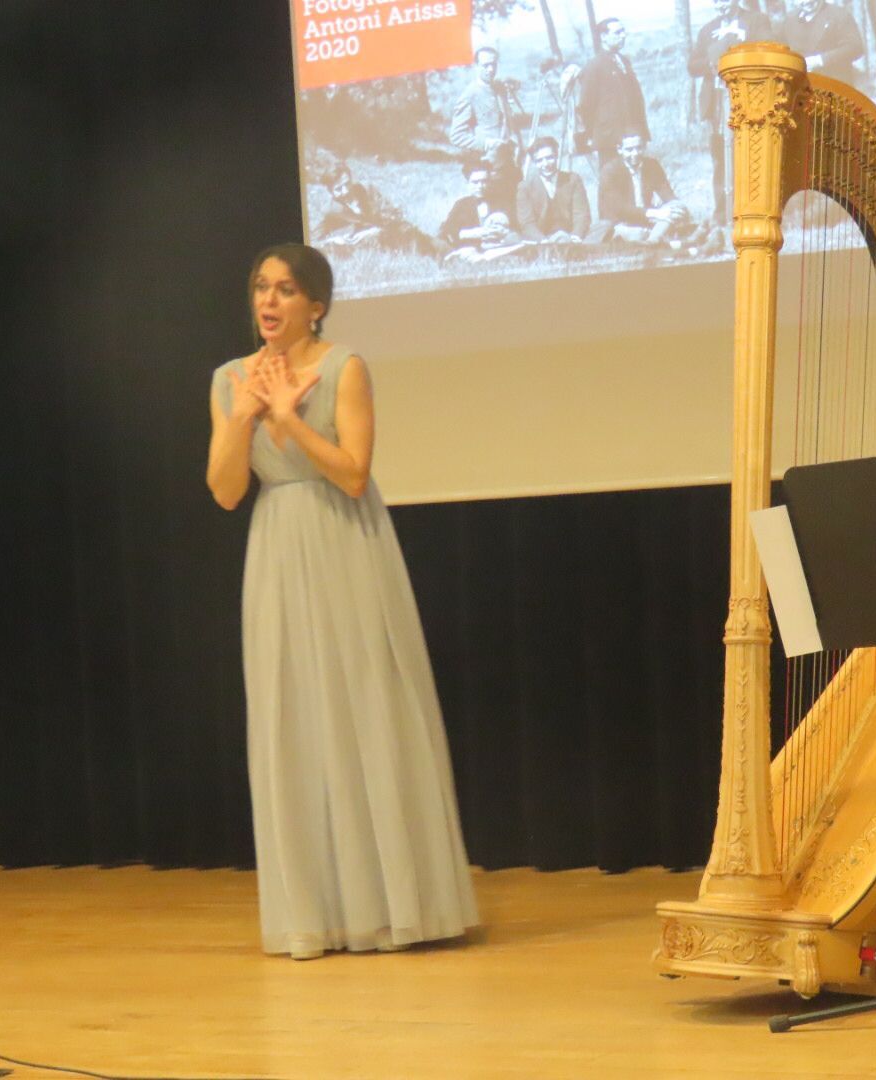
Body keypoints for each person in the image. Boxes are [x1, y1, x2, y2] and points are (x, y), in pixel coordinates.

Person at [206, 244, 480, 959]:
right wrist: (244, 416)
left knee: (366, 708)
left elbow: (354, 475)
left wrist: (288, 418)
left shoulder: (345, 367)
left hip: (345, 545)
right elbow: (227, 490)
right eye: (261, 287)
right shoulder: (229, 379)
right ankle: (314, 915)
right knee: (291, 716)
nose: (269, 301)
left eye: (287, 289)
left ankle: (394, 908)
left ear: (316, 304)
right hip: (277, 549)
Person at [689, 0, 773, 222]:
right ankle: (723, 209)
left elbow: (767, 51)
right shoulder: (708, 29)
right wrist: (713, 60)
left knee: (751, 153)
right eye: (715, 2)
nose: (720, 6)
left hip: (748, 99)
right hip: (717, 104)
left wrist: (736, 48)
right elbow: (692, 65)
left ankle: (754, 208)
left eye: (724, 0)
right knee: (720, 157)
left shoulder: (755, 20)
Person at [447, 45, 525, 205]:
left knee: (518, 207)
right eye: (485, 65)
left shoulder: (498, 88)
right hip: (489, 169)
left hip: (510, 163)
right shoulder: (470, 95)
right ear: (476, 66)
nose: (490, 69)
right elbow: (456, 136)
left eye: (493, 65)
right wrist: (486, 144)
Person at [596, 132, 698, 249]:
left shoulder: (652, 165)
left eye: (639, 148)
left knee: (677, 209)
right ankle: (661, 242)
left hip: (648, 219)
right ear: (620, 150)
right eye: (629, 150)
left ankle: (650, 243)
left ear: (644, 147)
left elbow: (668, 195)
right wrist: (657, 213)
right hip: (620, 223)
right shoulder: (609, 170)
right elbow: (620, 209)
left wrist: (676, 207)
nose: (635, 154)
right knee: (639, 234)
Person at [577, 18, 650, 169]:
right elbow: (585, 106)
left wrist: (641, 131)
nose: (623, 35)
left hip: (632, 136)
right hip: (610, 140)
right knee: (612, 183)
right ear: (603, 36)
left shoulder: (623, 61)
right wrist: (593, 135)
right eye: (617, 32)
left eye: (623, 31)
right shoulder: (595, 66)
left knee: (636, 179)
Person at [516, 136, 592, 243]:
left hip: (571, 236)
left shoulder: (572, 180)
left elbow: (581, 214)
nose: (546, 164)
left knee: (604, 226)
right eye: (539, 160)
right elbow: (527, 223)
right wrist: (543, 241)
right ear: (534, 163)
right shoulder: (525, 187)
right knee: (514, 237)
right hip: (543, 239)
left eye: (549, 158)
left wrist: (576, 236)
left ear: (557, 156)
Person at [780, 0, 866, 88]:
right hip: (803, 89)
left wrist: (820, 60)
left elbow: (855, 47)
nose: (807, 1)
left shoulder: (839, 15)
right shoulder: (790, 20)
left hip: (834, 86)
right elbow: (782, 50)